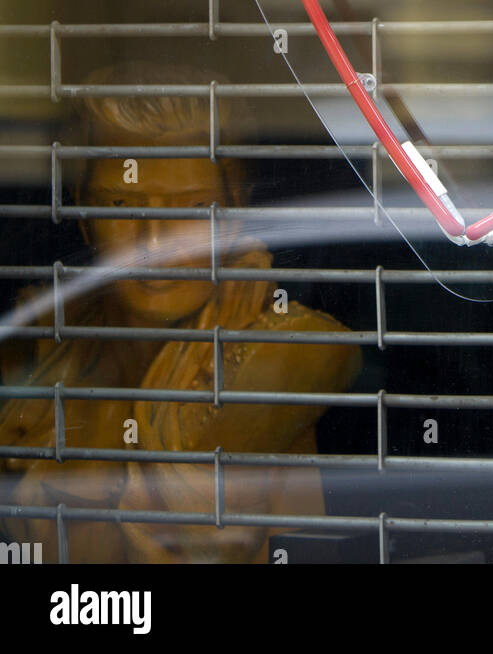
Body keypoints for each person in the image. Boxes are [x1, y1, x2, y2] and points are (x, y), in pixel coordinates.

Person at [0, 67, 361, 563]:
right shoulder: (38, 344)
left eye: (192, 208)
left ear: (232, 216)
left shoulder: (289, 351)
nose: (154, 246)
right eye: (123, 205)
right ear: (83, 214)